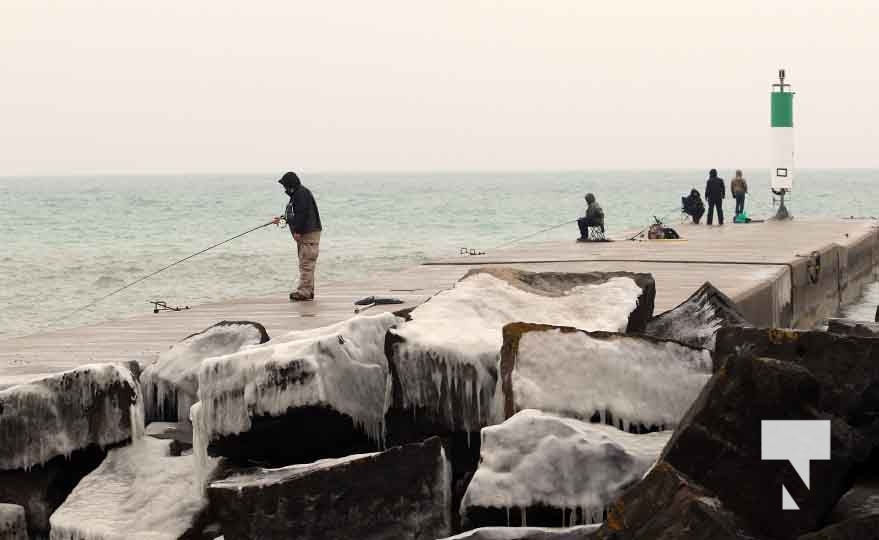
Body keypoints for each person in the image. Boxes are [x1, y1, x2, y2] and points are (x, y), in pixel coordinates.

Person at [272, 172, 323, 301]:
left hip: (308, 234)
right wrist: (282, 220)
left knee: (306, 263)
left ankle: (304, 292)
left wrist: (298, 231)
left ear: (290, 184)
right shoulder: (298, 194)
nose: (284, 188)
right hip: (307, 233)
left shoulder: (301, 194)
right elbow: (294, 216)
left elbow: (302, 214)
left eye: (285, 185)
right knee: (306, 262)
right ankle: (308, 291)